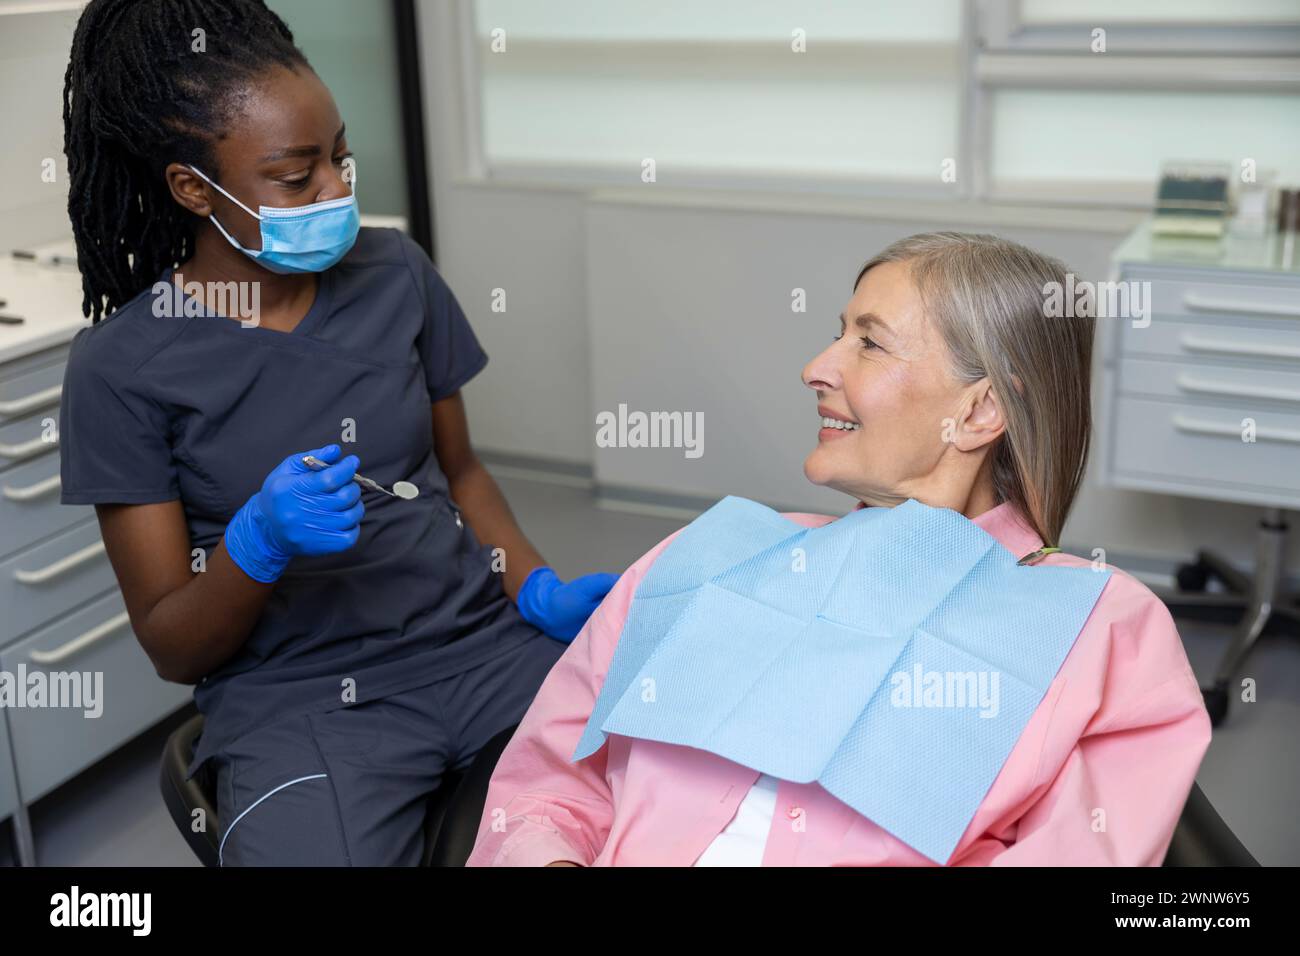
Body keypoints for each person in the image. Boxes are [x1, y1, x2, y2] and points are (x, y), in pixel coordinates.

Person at [58, 0, 612, 866]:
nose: (337, 189)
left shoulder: (396, 275)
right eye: (296, 174)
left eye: (341, 156)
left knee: (674, 795)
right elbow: (171, 644)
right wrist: (256, 545)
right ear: (194, 187)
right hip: (301, 700)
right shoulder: (123, 369)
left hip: (478, 646)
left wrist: (532, 587)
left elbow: (462, 473)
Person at [467, 232, 1213, 867]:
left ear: (980, 408)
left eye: (869, 343)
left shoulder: (1097, 629)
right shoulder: (711, 556)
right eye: (839, 333)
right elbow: (549, 785)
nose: (817, 368)